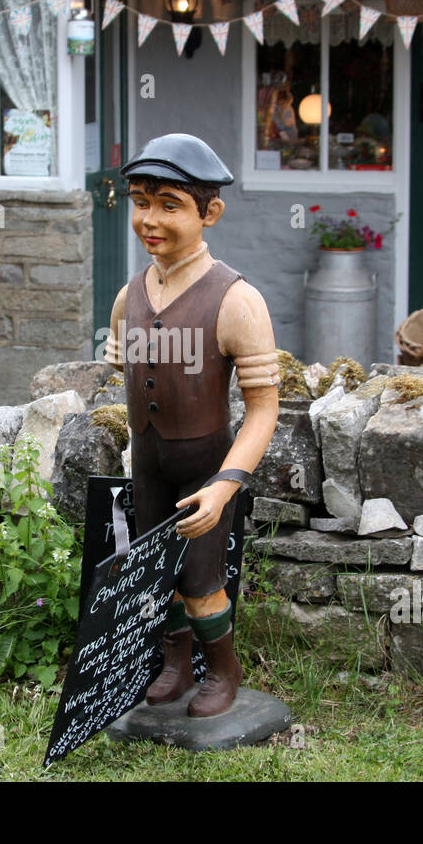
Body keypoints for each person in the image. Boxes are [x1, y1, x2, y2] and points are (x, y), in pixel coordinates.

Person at [104, 133, 280, 718]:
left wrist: (226, 483)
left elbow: (263, 409)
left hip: (206, 466)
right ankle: (174, 664)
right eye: (139, 201)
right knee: (157, 575)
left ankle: (222, 672)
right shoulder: (128, 298)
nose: (149, 220)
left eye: (169, 205)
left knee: (203, 583)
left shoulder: (236, 301)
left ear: (210, 213)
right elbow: (125, 379)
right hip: (149, 462)